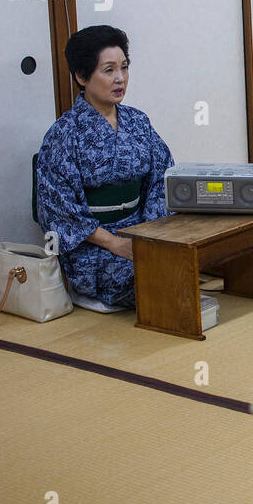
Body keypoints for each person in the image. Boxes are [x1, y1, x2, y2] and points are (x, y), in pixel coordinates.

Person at [35, 25, 174, 308]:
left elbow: (162, 178)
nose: (120, 78)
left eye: (124, 67)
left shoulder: (138, 122)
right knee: (153, 277)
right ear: (81, 76)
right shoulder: (63, 134)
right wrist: (115, 244)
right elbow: (59, 211)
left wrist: (149, 234)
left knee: (188, 259)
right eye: (108, 70)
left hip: (141, 232)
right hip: (93, 246)